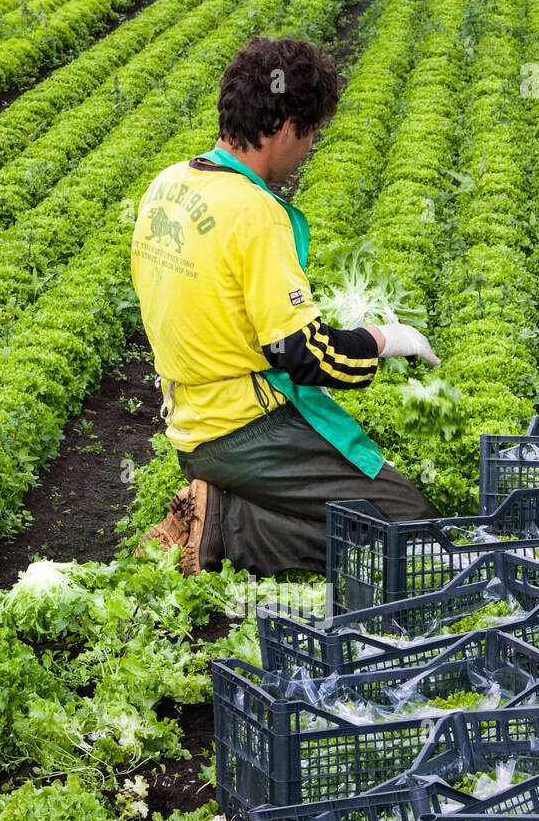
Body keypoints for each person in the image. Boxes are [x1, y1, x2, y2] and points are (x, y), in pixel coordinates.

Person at [130, 35, 441, 577]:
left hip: (188, 424)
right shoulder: (253, 213)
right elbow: (306, 357)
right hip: (245, 430)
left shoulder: (168, 183)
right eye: (311, 134)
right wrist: (387, 340)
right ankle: (226, 524)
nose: (309, 150)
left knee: (355, 515)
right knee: (414, 533)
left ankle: (223, 508)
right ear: (283, 128)